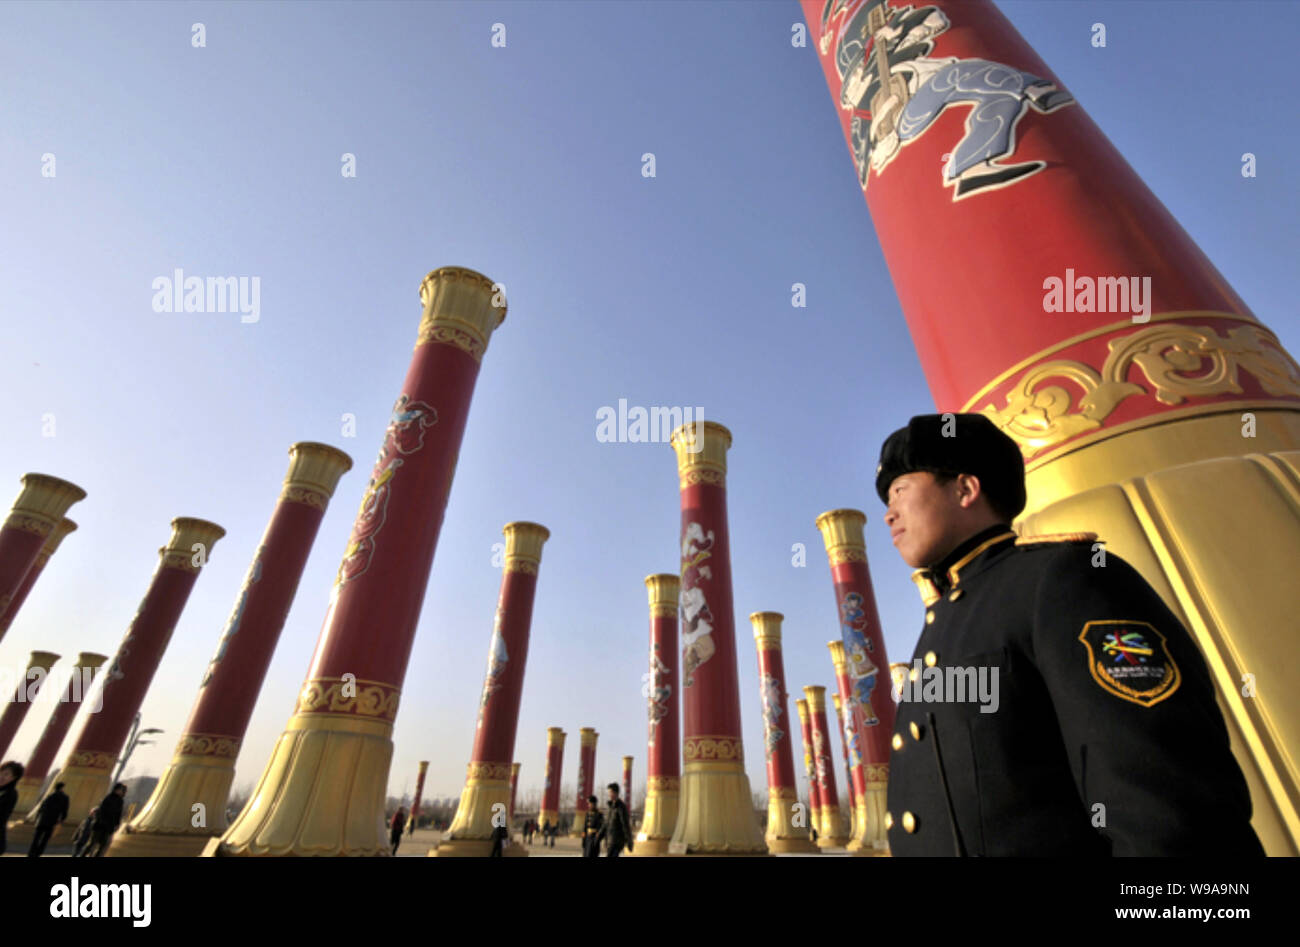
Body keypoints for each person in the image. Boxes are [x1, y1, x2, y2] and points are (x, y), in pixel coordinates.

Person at [876, 413, 1265, 856]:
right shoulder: (945, 621)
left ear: (965, 489)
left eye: (900, 491)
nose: (888, 514)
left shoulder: (1064, 580)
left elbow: (1167, 805)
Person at [78, 783, 126, 857]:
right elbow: (102, 811)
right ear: (117, 789)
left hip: (108, 826)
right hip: (100, 825)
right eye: (120, 789)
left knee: (102, 846)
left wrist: (117, 824)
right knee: (92, 844)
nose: (121, 791)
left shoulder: (119, 801)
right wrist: (107, 822)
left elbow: (118, 814)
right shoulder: (109, 798)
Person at [27, 781, 70, 857]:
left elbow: (41, 808)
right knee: (45, 839)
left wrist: (37, 818)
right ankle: (38, 853)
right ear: (62, 788)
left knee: (36, 838)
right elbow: (64, 810)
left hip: (42, 820)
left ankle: (31, 853)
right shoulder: (65, 798)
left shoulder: (49, 796)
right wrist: (62, 820)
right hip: (53, 821)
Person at [598, 782, 633, 857]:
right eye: (609, 792)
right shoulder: (609, 807)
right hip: (609, 840)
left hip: (617, 841)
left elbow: (625, 824)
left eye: (610, 792)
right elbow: (605, 823)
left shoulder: (621, 807)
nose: (609, 794)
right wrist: (599, 836)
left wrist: (629, 840)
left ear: (615, 793)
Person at [0, 760, 24, 856]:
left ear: (14, 778)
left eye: (6, 774)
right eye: (1, 772)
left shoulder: (11, 794)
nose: (2, 776)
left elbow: (2, 817)